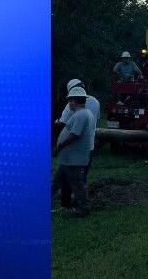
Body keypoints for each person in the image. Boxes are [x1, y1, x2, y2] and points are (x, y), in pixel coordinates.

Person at [52, 86, 95, 217]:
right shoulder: (82, 114)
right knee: (57, 181)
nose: (69, 103)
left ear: (75, 100)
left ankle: (83, 209)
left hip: (74, 159)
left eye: (70, 100)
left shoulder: (81, 115)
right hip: (69, 158)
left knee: (77, 184)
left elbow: (75, 134)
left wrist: (59, 147)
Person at [56, 78, 101, 179]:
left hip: (74, 148)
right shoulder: (96, 102)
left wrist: (60, 146)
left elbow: (63, 124)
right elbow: (95, 122)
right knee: (82, 177)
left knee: (67, 178)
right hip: (89, 146)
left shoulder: (70, 105)